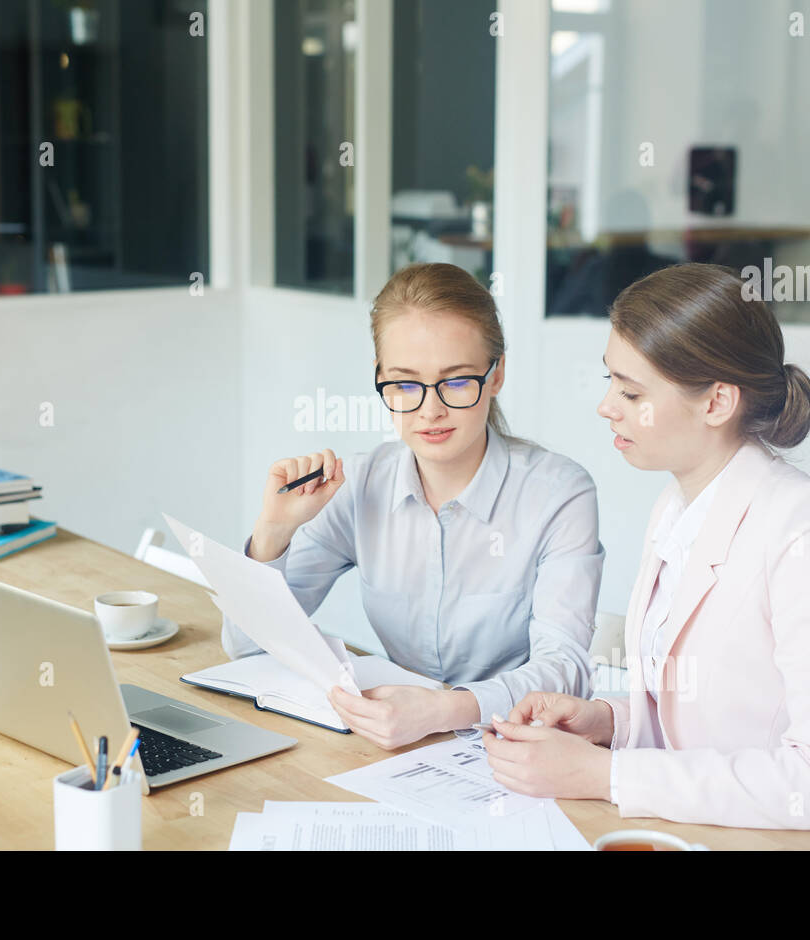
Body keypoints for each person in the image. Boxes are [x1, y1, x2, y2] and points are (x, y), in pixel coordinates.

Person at [483, 262, 810, 851]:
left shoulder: (809, 529)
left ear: (717, 402)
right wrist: (611, 723)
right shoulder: (677, 505)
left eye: (631, 392)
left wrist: (604, 775)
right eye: (611, 382)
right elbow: (708, 716)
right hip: (700, 832)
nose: (607, 407)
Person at [222, 262, 604, 750]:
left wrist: (447, 709)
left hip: (516, 747)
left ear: (496, 374)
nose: (430, 410)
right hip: (395, 749)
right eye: (404, 384)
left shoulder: (558, 493)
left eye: (457, 380)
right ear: (380, 378)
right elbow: (246, 645)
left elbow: (566, 672)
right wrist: (272, 534)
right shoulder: (359, 483)